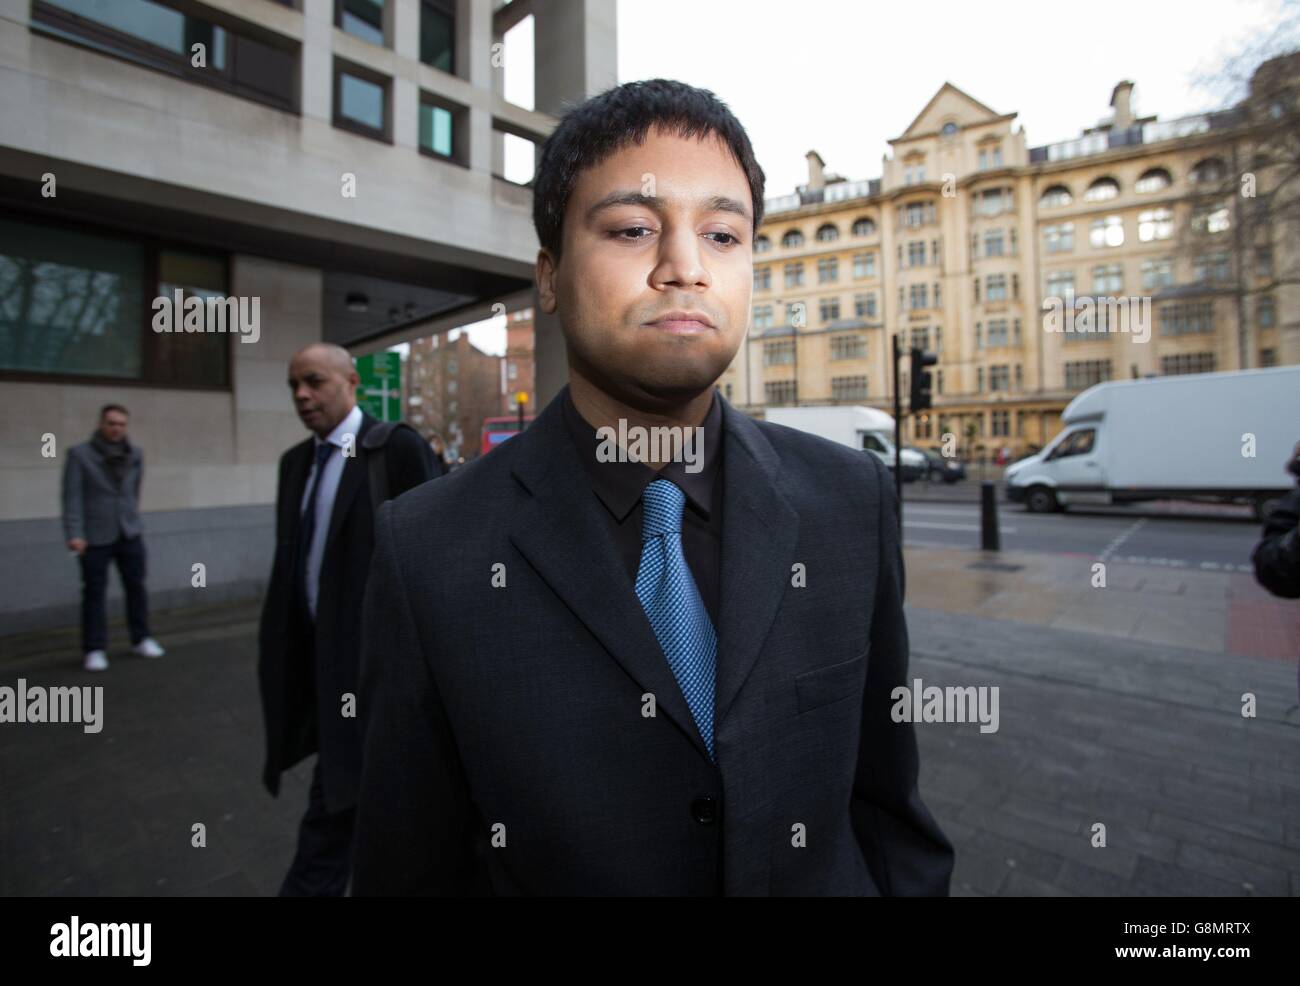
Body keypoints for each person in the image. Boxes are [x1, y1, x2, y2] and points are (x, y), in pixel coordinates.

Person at [352, 79, 953, 896]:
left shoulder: (851, 500)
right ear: (551, 275)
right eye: (634, 228)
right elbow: (408, 863)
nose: (685, 267)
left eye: (723, 234)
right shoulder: (427, 547)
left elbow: (889, 810)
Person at [258, 342, 440, 896]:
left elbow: (437, 559)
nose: (302, 396)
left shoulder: (395, 450)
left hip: (380, 681)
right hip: (322, 672)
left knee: (332, 822)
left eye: (313, 381)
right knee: (360, 815)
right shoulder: (295, 465)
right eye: (293, 386)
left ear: (350, 382)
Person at [62, 404, 164, 672]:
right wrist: (75, 533)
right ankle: (94, 648)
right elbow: (72, 497)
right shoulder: (80, 455)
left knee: (136, 586)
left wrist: (132, 518)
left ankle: (141, 638)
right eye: (111, 423)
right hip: (95, 535)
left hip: (129, 532)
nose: (116, 428)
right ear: (101, 424)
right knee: (94, 592)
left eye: (121, 424)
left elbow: (133, 491)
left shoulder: (135, 454)